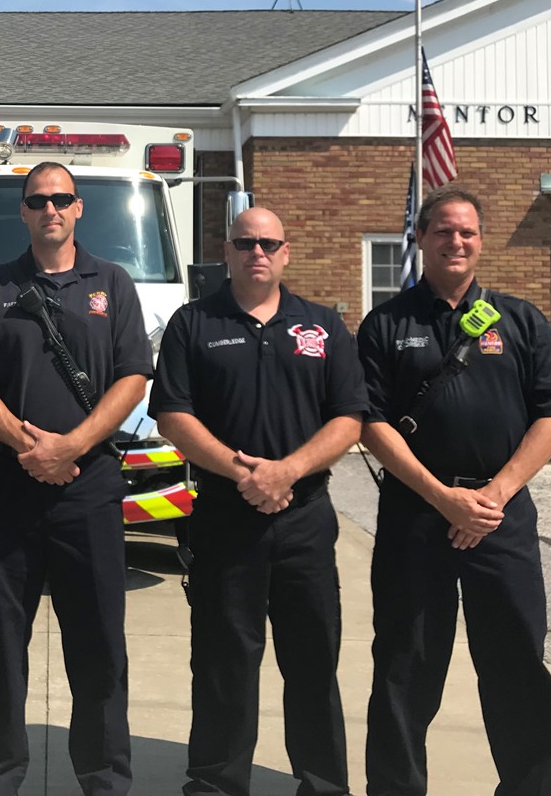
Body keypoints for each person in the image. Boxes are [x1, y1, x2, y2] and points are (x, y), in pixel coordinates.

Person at [355, 186, 551, 796]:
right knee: (405, 667)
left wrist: (495, 496)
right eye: (444, 231)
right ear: (421, 238)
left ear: (480, 242)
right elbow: (370, 423)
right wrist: (442, 498)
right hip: (416, 518)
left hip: (500, 520)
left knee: (517, 667)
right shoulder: (386, 324)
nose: (457, 241)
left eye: (468, 232)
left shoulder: (519, 319)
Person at [0, 162, 153, 796]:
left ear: (79, 208)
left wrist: (73, 445)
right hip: (9, 487)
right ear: (24, 211)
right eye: (38, 201)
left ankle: (104, 777)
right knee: (2, 647)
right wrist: (24, 441)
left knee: (97, 646)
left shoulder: (112, 284)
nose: (50, 210)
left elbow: (132, 376)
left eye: (61, 199)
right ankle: (0, 777)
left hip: (88, 489)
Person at [149, 207, 367, 796]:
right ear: (228, 250)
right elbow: (172, 416)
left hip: (305, 519)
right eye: (246, 243)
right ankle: (217, 783)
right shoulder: (193, 323)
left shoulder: (321, 326)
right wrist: (243, 473)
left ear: (286, 251)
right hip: (224, 515)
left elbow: (350, 418)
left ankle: (323, 783)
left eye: (269, 242)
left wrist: (287, 471)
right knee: (224, 659)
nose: (258, 252)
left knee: (313, 661)